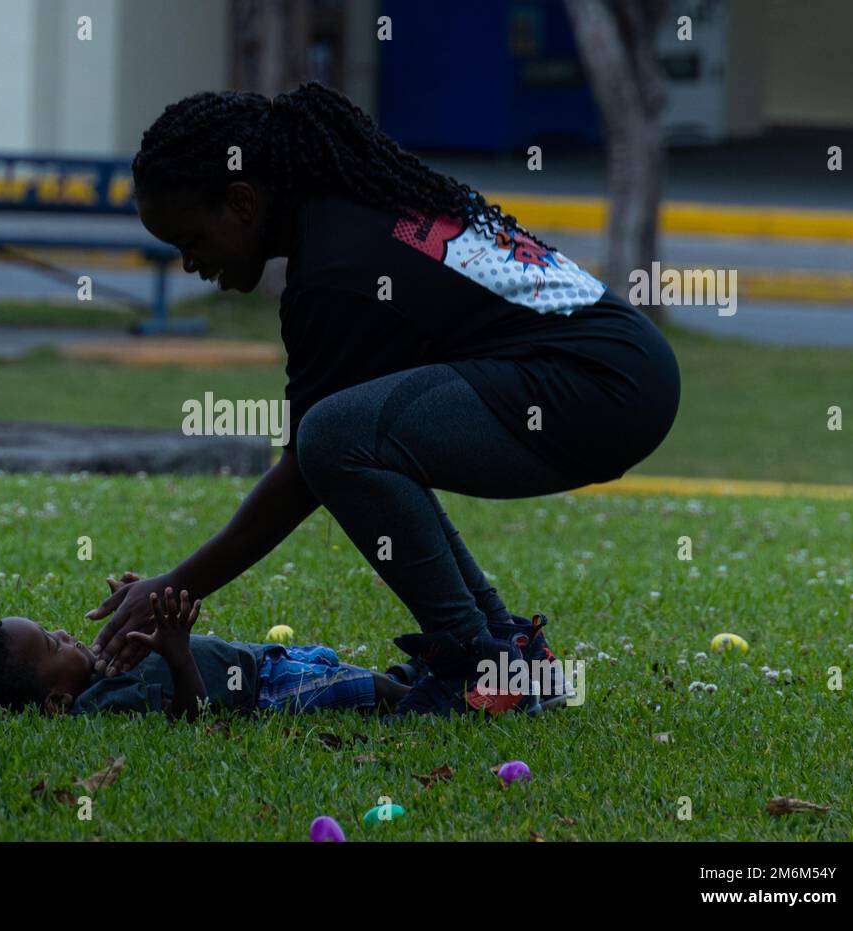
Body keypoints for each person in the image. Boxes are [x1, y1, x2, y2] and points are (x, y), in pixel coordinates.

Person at [89, 82, 679, 718]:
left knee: (336, 438)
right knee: (363, 436)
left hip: (594, 388)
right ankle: (506, 656)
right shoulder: (356, 209)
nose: (187, 264)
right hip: (625, 371)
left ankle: (470, 672)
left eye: (192, 240)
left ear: (241, 201)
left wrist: (173, 587)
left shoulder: (335, 272)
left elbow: (306, 471)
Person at [0, 579, 413, 720]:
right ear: (57, 699)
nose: (65, 633)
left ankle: (424, 681)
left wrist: (145, 610)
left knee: (380, 677)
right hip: (269, 691)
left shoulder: (103, 668)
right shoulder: (102, 702)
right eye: (51, 643)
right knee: (377, 690)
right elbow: (192, 715)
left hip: (266, 659)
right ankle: (439, 703)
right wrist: (177, 650)